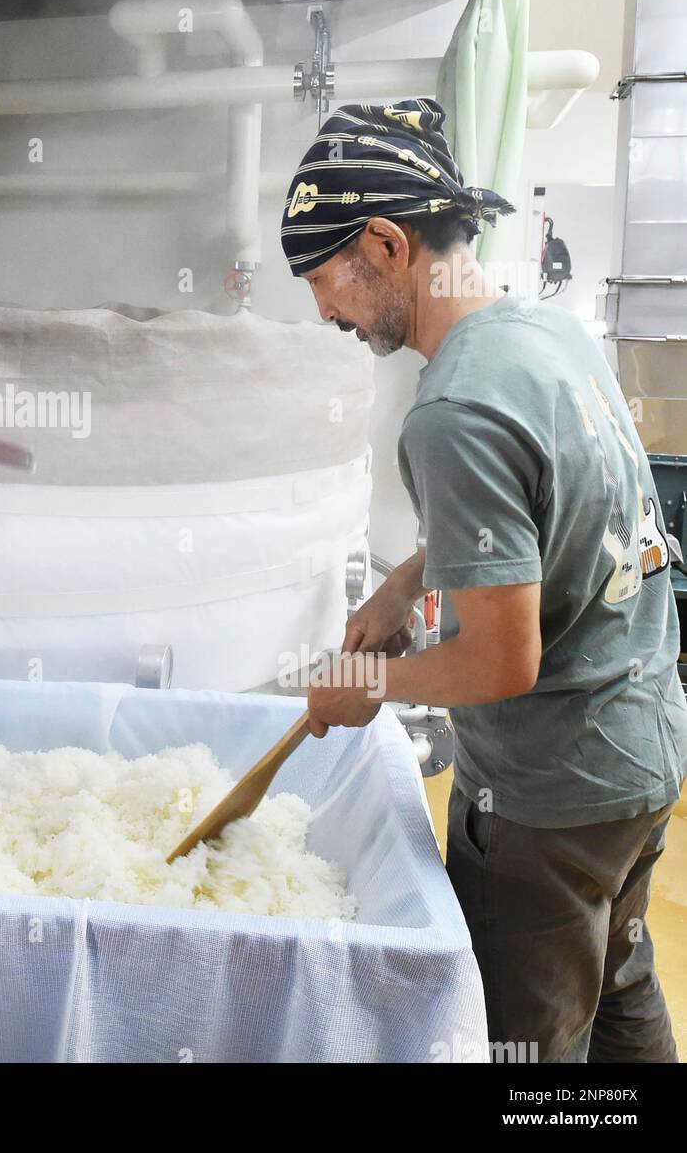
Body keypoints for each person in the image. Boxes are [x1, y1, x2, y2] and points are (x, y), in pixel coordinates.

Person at [280, 98, 686, 1063]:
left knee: (522, 1045)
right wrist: (403, 585)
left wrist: (366, 686)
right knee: (620, 982)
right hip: (642, 752)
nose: (323, 311)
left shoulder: (451, 408)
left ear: (384, 243)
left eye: (321, 280)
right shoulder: (544, 335)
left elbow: (502, 660)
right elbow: (552, 509)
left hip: (552, 791)